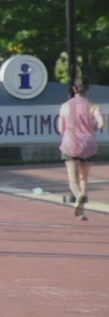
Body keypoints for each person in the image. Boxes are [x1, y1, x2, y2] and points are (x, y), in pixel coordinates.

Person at [58, 77, 104, 220]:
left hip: (70, 143)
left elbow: (61, 129)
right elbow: (101, 123)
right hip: (88, 144)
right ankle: (82, 210)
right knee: (84, 178)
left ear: (74, 89)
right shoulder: (93, 106)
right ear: (88, 90)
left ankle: (79, 196)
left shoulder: (65, 106)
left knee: (73, 180)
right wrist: (93, 127)